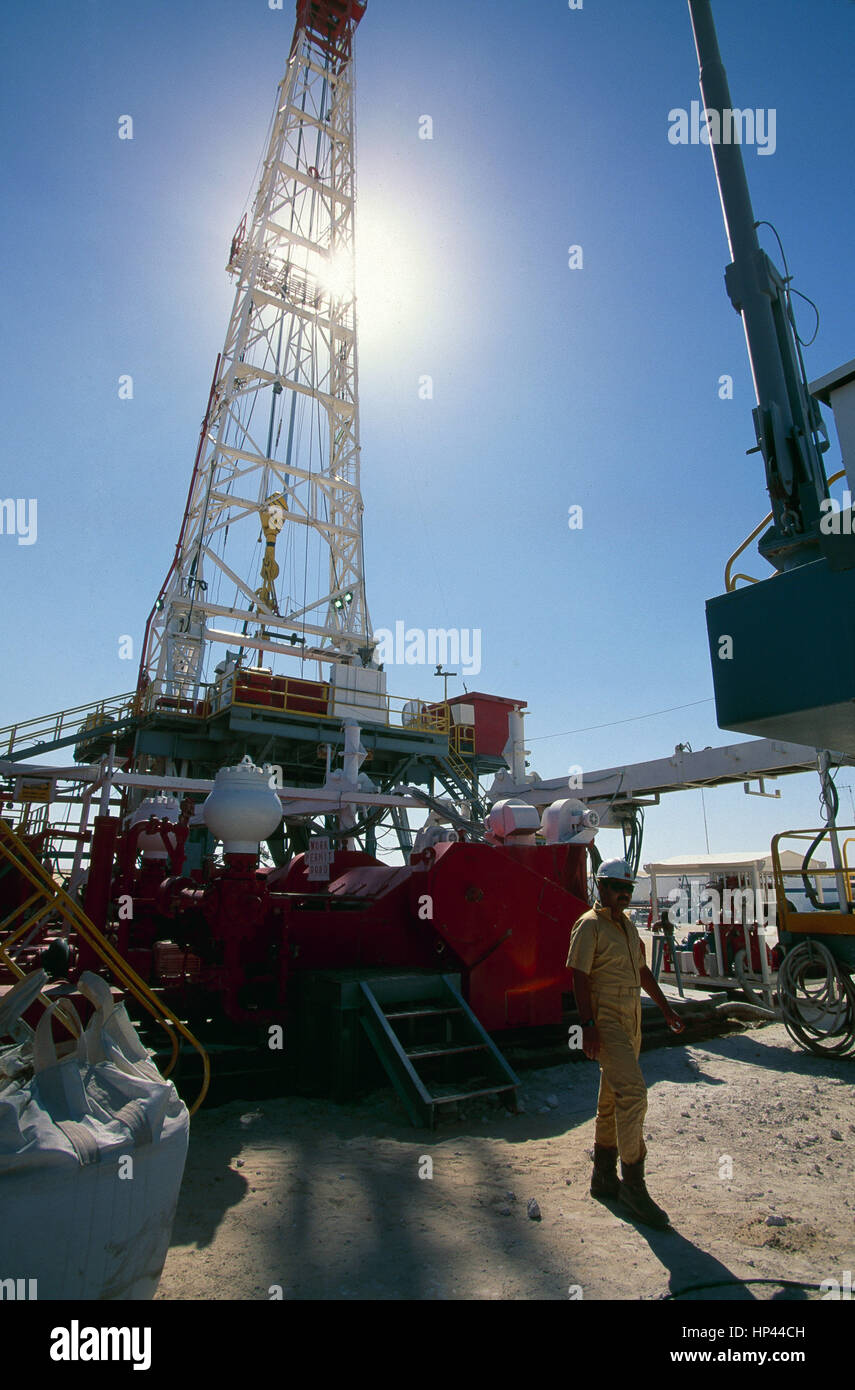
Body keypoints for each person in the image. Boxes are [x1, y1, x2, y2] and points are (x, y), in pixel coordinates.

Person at [567, 857, 685, 1229]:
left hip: (631, 1016)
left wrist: (666, 1011)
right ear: (601, 887)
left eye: (629, 888)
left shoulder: (629, 927)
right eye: (618, 887)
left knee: (611, 1098)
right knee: (633, 1094)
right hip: (606, 1017)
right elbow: (579, 975)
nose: (624, 894)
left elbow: (642, 970)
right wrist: (587, 1024)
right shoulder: (589, 925)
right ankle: (634, 1186)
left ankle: (603, 1176)